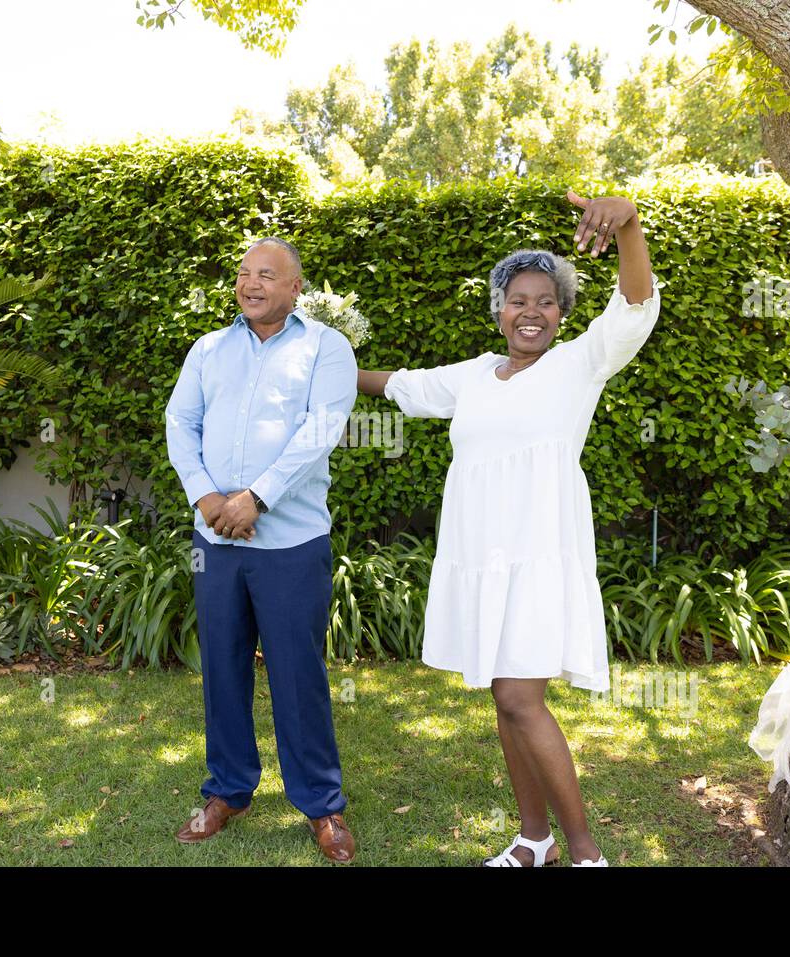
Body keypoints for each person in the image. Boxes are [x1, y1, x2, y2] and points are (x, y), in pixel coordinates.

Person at [357, 190, 661, 866]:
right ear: (499, 309)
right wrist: (324, 367)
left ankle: (585, 854)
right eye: (518, 299)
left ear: (561, 314)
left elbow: (636, 306)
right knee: (505, 697)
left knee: (521, 696)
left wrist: (630, 225)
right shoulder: (473, 376)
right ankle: (534, 839)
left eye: (546, 300)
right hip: (482, 556)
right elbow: (398, 384)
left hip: (538, 555)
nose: (532, 310)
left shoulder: (579, 364)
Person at [164, 236, 359, 863]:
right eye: (245, 274)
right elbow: (180, 423)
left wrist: (256, 499)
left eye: (266, 275)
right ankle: (228, 790)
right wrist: (206, 499)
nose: (251, 284)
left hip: (292, 541)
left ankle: (321, 806)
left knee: (298, 674)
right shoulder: (208, 349)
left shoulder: (326, 348)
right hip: (214, 538)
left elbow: (321, 430)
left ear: (296, 287)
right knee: (221, 666)